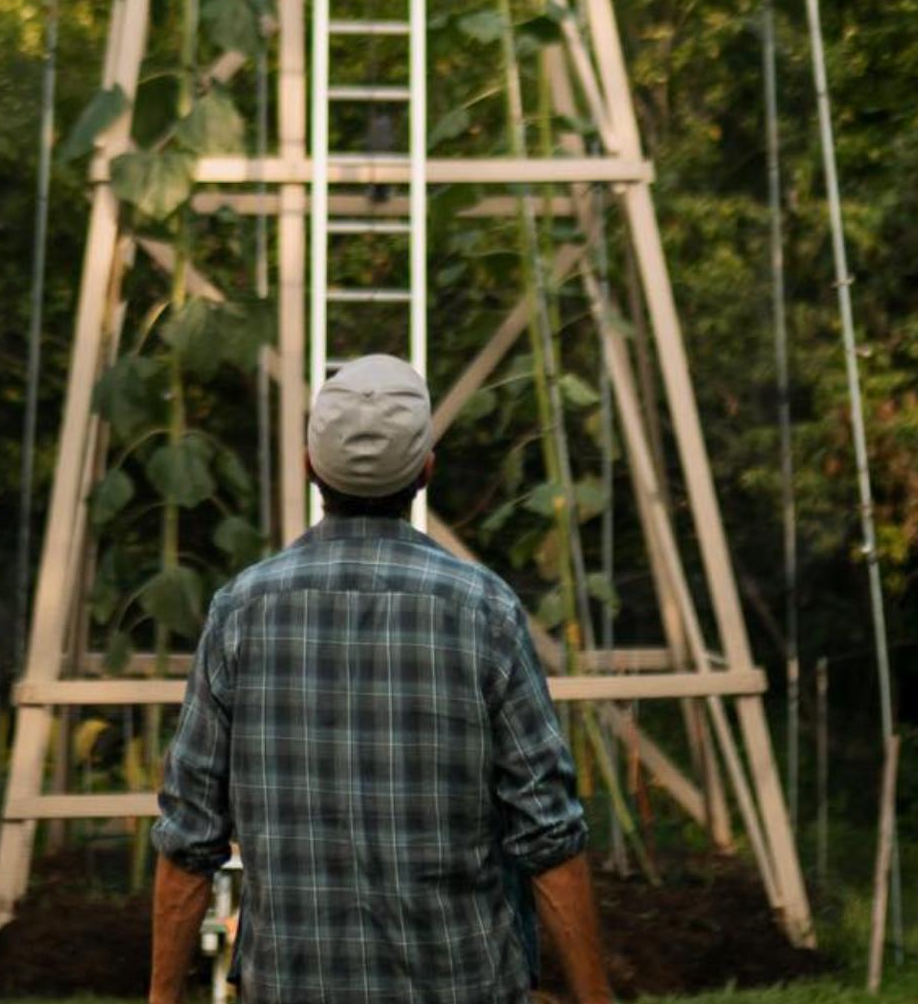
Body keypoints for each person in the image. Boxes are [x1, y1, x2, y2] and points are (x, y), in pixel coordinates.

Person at [148, 354, 613, 1004]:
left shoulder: (239, 612)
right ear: (426, 470)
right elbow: (549, 833)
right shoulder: (485, 611)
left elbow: (188, 835)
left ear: (311, 468)